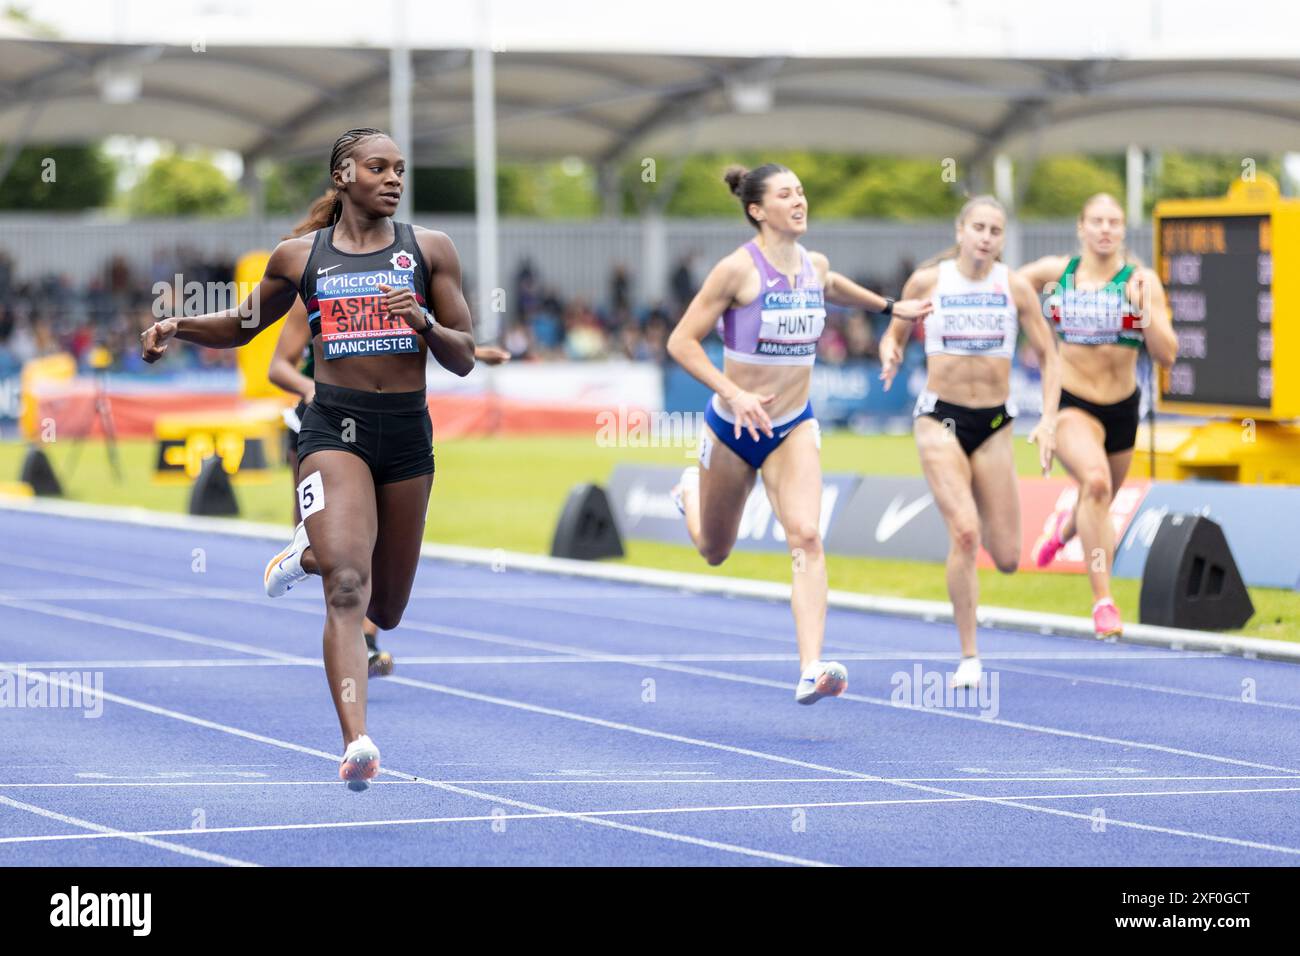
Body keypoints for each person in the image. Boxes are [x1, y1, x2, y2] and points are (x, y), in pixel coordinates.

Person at [142, 127, 476, 790]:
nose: (394, 179)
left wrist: (424, 323)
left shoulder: (430, 250)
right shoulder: (301, 258)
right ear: (344, 174)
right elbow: (242, 324)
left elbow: (464, 356)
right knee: (348, 590)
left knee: (392, 603)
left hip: (407, 436)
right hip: (333, 431)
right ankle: (357, 742)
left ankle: (308, 550)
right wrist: (178, 325)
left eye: (400, 170)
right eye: (379, 167)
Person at [667, 163, 933, 704]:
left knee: (807, 536)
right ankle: (688, 493)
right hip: (734, 426)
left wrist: (888, 308)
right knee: (714, 549)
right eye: (786, 194)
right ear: (757, 210)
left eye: (802, 192)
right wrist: (733, 393)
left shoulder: (814, 265)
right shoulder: (735, 271)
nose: (800, 200)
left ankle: (812, 666)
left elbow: (832, 287)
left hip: (792, 426)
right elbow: (681, 342)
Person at [268, 300, 510, 679]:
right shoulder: (311, 281)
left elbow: (389, 338)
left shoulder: (387, 280)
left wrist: (473, 352)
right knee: (331, 545)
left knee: (371, 546)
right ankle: (306, 564)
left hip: (379, 426)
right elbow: (278, 366)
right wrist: (310, 390)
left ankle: (364, 639)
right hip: (320, 427)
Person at [881, 196, 1060, 688]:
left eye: (995, 230)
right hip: (940, 417)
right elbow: (893, 333)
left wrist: (1048, 419)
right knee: (964, 531)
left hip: (996, 422)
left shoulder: (1015, 287)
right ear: (960, 231)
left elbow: (1049, 356)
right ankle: (969, 656)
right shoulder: (928, 281)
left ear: (1002, 240)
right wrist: (891, 353)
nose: (986, 237)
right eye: (978, 227)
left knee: (1005, 556)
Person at [1017, 193, 1177, 637]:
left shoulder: (1142, 281)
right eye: (1097, 221)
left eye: (1114, 221)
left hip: (1123, 410)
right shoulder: (1057, 273)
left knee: (1097, 497)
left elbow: (1168, 356)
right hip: (1073, 403)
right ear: (1081, 227)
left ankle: (1062, 532)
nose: (1105, 229)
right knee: (1097, 483)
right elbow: (1007, 284)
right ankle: (1103, 601)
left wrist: (1143, 312)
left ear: (1123, 230)